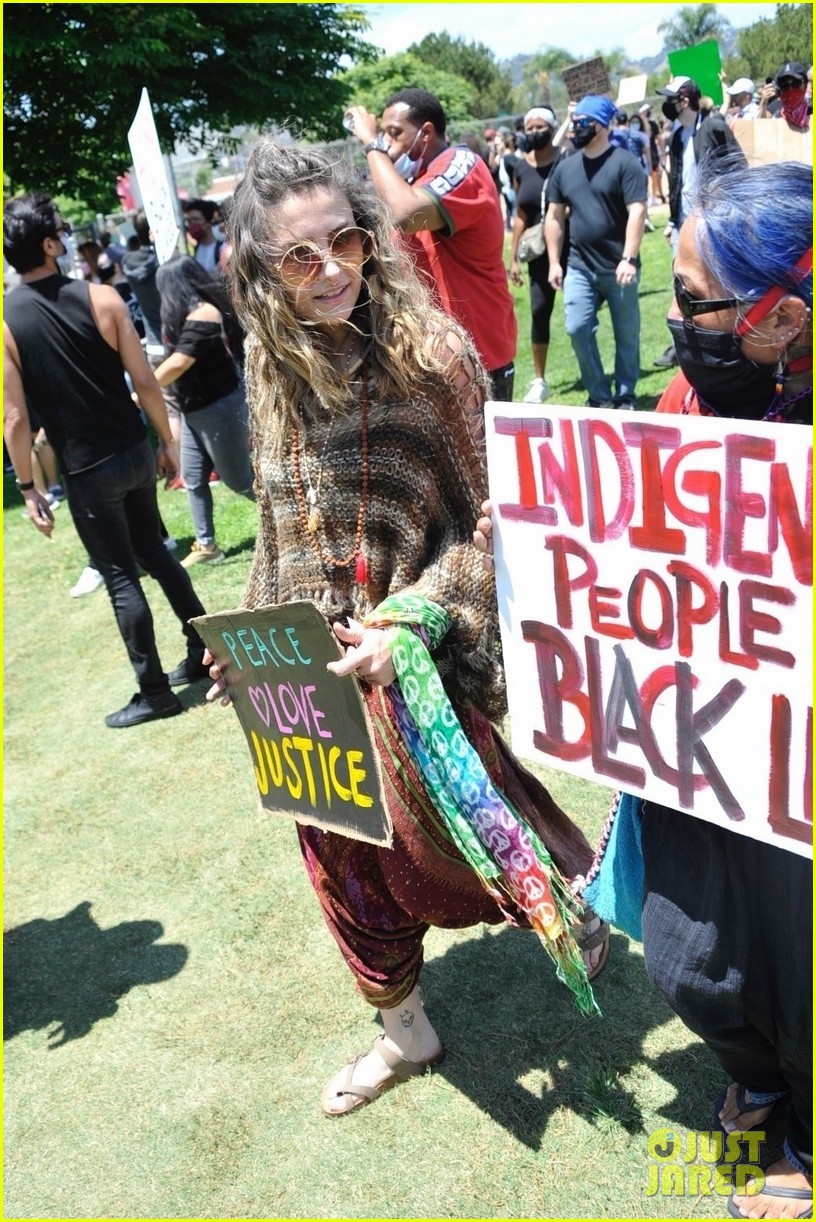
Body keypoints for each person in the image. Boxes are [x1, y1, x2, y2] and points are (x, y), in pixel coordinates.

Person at [210, 139, 609, 1116]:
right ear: (261, 272)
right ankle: (407, 1034)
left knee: (473, 831)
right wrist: (254, 646)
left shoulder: (433, 358)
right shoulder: (271, 364)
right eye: (300, 258)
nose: (331, 267)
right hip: (309, 683)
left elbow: (493, 524)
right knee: (342, 868)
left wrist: (416, 621)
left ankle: (574, 915)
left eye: (345, 241)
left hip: (413, 666)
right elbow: (278, 518)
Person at [477, 158, 813, 1222]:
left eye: (692, 298)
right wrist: (533, 537)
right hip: (695, 747)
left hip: (790, 770)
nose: (669, 313)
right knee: (686, 954)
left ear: (782, 317)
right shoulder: (690, 394)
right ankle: (758, 1065)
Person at [3, 192, 209, 726]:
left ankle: (155, 692)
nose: (68, 235)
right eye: (60, 229)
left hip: (86, 469)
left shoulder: (6, 322)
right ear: (49, 245)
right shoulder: (104, 299)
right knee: (158, 557)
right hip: (132, 452)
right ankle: (209, 653)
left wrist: (29, 487)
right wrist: (165, 441)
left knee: (121, 576)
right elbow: (144, 381)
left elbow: (15, 418)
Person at [343, 87, 517, 401]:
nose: (387, 145)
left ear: (426, 132)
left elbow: (406, 214)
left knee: (482, 452)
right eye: (383, 134)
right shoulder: (414, 182)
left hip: (479, 356)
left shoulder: (463, 165)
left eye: (395, 134)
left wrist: (370, 143)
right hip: (435, 358)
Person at [544, 94, 647, 410]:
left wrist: (629, 258)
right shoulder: (566, 167)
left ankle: (626, 394)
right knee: (576, 328)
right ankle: (600, 395)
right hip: (579, 266)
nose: (576, 127)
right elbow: (554, 216)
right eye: (574, 122)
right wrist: (553, 262)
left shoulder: (625, 164)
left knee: (626, 334)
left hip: (619, 267)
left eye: (582, 122)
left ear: (601, 125)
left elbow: (638, 211)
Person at [152, 256, 254, 567]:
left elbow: (180, 362)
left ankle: (295, 518)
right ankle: (206, 544)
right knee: (193, 478)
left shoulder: (206, 314)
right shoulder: (189, 315)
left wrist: (141, 389)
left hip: (219, 409)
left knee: (239, 480)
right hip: (194, 411)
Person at [653, 76, 743, 370]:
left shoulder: (714, 126)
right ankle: (685, 343)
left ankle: (725, 339)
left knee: (717, 284)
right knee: (682, 284)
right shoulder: (678, 136)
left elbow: (737, 168)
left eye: (671, 98)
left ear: (685, 99)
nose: (667, 105)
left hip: (713, 222)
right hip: (683, 223)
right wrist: (670, 220)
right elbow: (677, 180)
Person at [508, 106, 562, 404]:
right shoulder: (520, 168)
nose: (533, 132)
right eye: (529, 128)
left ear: (552, 129)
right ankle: (539, 379)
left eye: (540, 126)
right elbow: (520, 214)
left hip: (571, 246)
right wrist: (514, 256)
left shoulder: (565, 161)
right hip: (538, 251)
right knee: (539, 312)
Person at [183, 199, 225, 275]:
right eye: (189, 221)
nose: (192, 224)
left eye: (196, 219)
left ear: (208, 222)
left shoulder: (221, 249)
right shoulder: (196, 249)